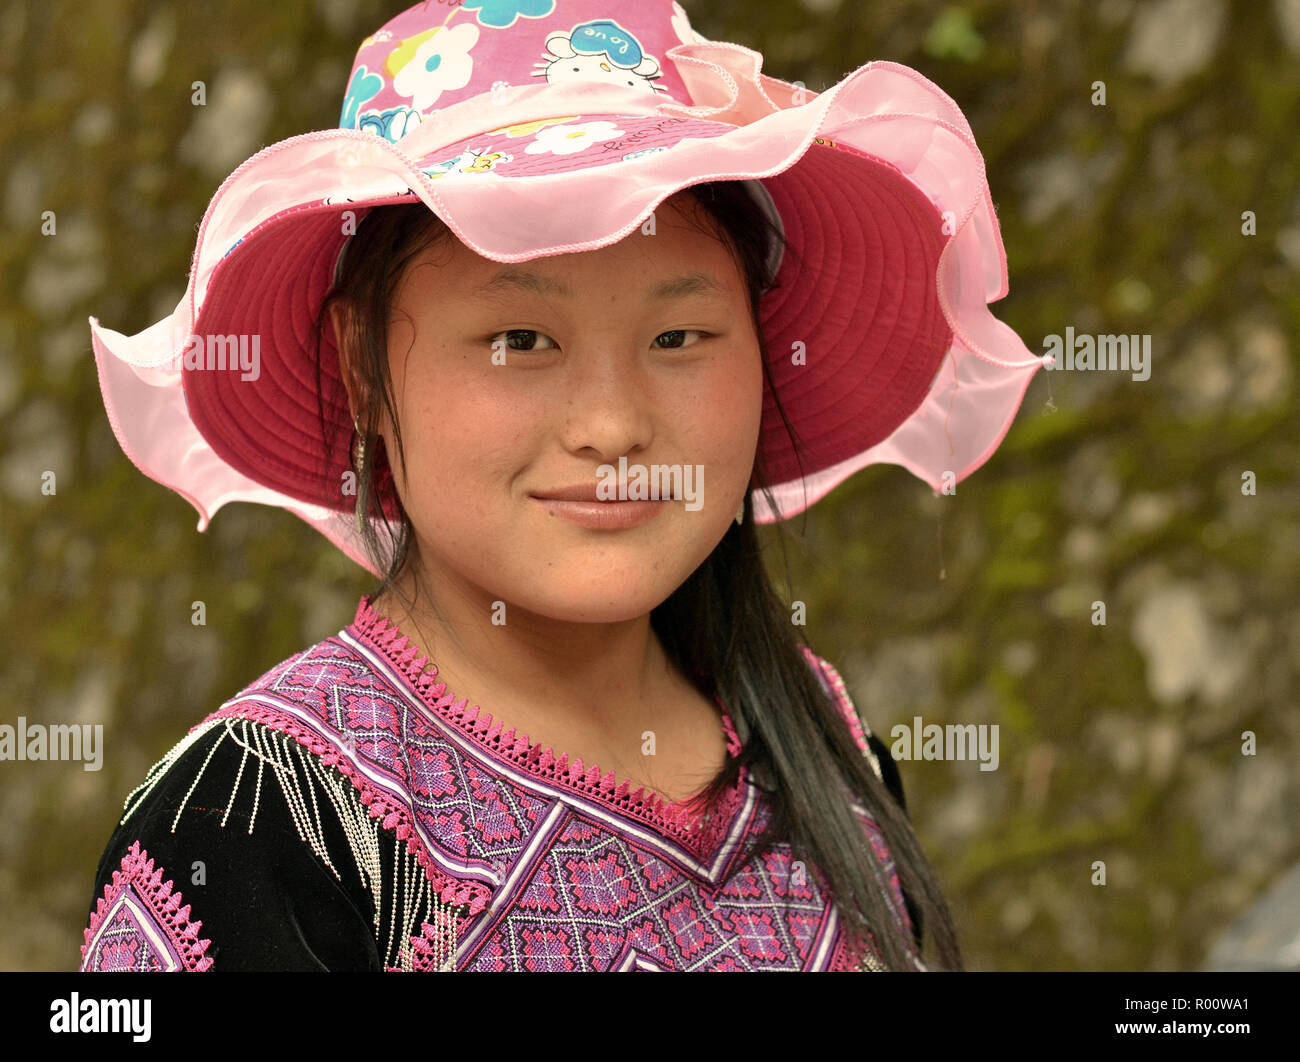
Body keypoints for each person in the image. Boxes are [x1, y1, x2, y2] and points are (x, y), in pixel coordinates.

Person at [78, 0, 1043, 972]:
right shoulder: (255, 828)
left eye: (678, 338)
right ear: (364, 369)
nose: (612, 427)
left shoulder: (825, 748)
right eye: (519, 341)